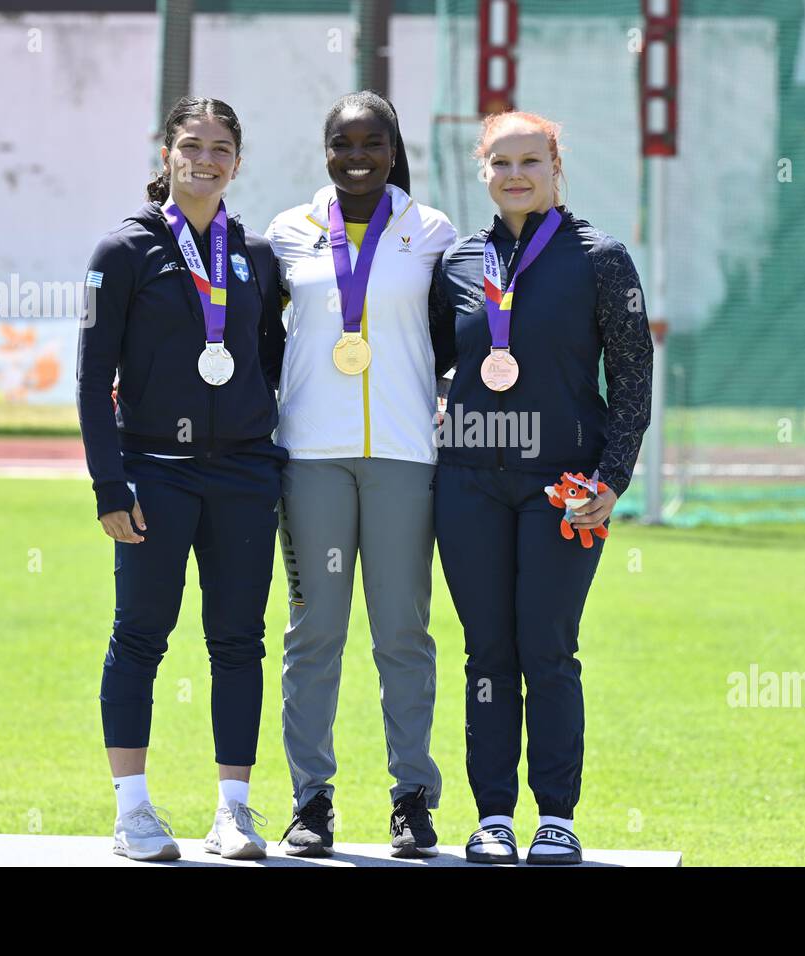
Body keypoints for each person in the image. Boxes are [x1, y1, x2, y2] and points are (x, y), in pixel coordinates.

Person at [428, 110, 653, 865]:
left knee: (548, 650)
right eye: (501, 163)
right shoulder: (457, 263)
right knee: (486, 653)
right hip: (466, 487)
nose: (515, 175)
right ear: (481, 169)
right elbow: (425, 364)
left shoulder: (602, 259)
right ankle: (493, 814)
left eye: (530, 161)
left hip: (563, 488)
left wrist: (611, 480)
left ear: (556, 165)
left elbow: (632, 382)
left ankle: (555, 815)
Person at [77, 95, 287, 861]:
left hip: (241, 477)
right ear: (164, 153)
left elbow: (266, 359)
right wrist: (110, 484)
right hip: (154, 476)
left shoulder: (256, 256)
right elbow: (92, 377)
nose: (206, 158)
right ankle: (133, 811)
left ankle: (233, 812)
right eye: (192, 144)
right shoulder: (124, 251)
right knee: (140, 638)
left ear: (239, 158)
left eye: (222, 146)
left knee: (239, 642)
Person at [265, 91, 457, 858]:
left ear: (392, 148)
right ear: (324, 151)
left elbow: (457, 334)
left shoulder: (430, 230)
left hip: (406, 456)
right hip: (310, 457)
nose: (356, 156)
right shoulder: (287, 233)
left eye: (371, 143)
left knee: (404, 633)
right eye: (342, 143)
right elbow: (242, 330)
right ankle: (310, 801)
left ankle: (412, 796)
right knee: (314, 633)